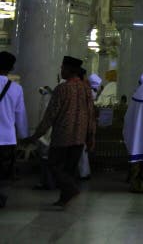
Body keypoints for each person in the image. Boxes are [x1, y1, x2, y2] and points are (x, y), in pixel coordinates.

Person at [24, 56, 95, 208]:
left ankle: (71, 190)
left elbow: (50, 115)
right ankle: (64, 199)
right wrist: (90, 137)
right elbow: (91, 114)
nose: (61, 71)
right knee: (69, 170)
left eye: (63, 68)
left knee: (53, 165)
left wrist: (36, 135)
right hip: (79, 137)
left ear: (71, 71)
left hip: (63, 136)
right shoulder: (85, 88)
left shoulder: (62, 88)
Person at [0, 51, 26, 209]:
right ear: (11, 68)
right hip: (7, 138)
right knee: (3, 172)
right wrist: (24, 136)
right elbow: (20, 115)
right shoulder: (16, 89)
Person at [77, 73, 103, 180]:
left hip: (83, 122)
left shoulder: (88, 91)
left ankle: (84, 172)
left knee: (82, 149)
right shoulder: (90, 91)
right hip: (84, 121)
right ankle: (84, 172)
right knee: (83, 149)